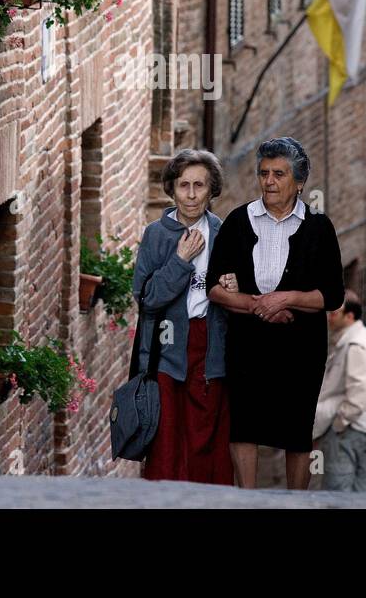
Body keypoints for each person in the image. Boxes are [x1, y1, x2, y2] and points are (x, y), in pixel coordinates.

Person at [206, 136, 344, 489]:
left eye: (279, 174)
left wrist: (285, 299)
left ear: (299, 182)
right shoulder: (238, 222)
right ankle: (248, 499)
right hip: (246, 343)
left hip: (301, 348)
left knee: (297, 427)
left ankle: (295, 501)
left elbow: (331, 295)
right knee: (244, 421)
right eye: (264, 173)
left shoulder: (319, 228)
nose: (269, 182)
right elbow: (214, 288)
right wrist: (257, 305)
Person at [130, 148, 233, 484]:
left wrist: (235, 284)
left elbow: (236, 297)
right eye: (184, 185)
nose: (191, 194)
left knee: (205, 438)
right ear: (172, 190)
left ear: (211, 189)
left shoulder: (224, 234)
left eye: (199, 185)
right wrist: (180, 260)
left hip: (210, 347)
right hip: (165, 348)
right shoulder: (156, 236)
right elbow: (147, 300)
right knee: (166, 441)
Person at [313, 290, 366, 491]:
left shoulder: (355, 345)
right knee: (357, 494)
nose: (329, 317)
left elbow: (358, 395)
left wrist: (338, 424)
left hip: (350, 429)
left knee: (339, 493)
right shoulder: (360, 338)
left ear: (349, 316)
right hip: (359, 428)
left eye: (335, 312)